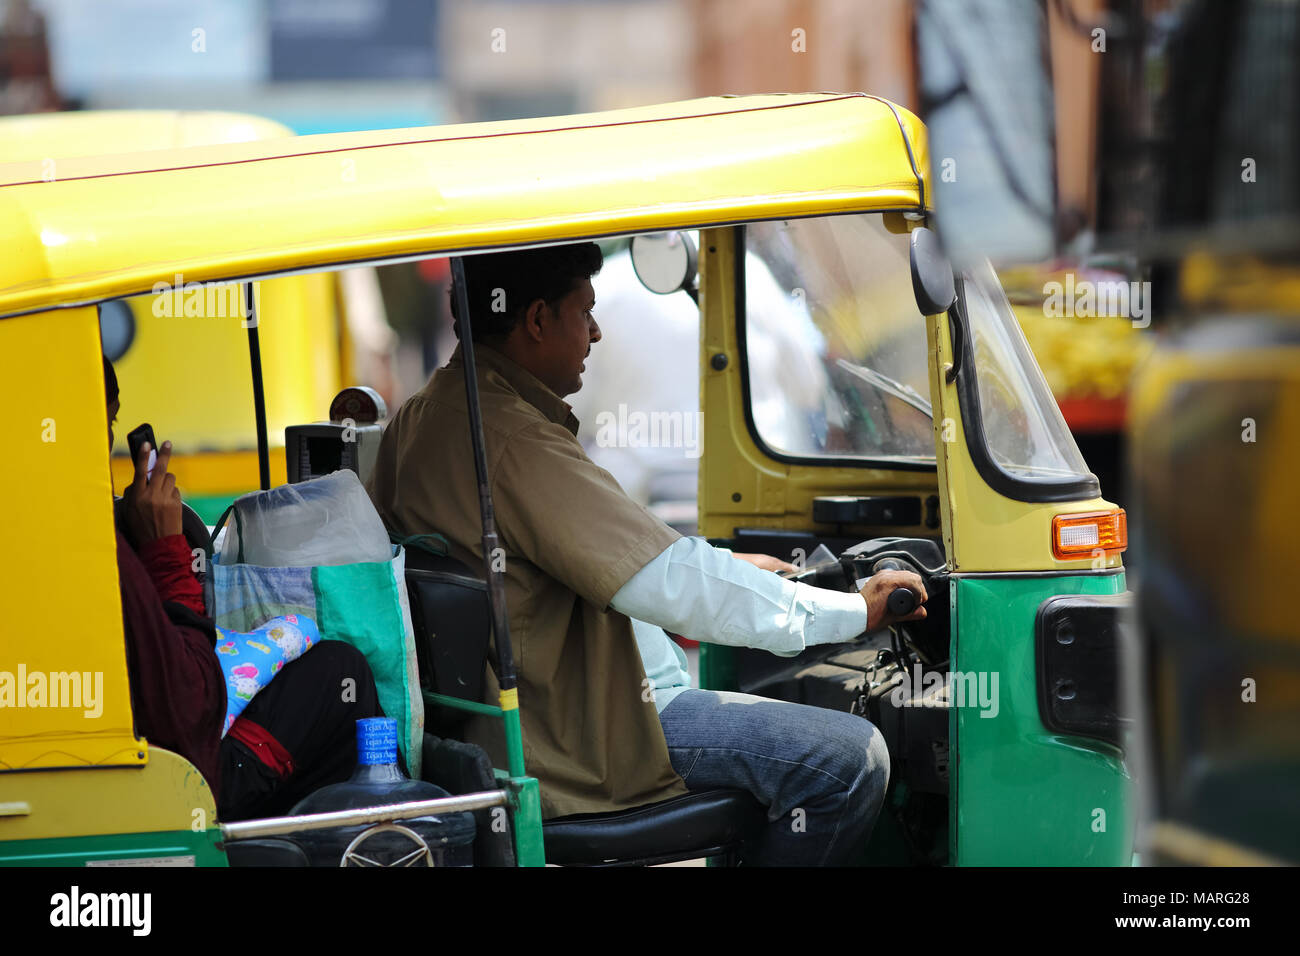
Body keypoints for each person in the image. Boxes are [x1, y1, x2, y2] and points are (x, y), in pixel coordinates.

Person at [366, 245, 930, 865]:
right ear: (535, 321)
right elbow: (668, 584)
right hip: (589, 736)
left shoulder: (421, 419)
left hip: (521, 727)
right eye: (585, 313)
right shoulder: (513, 440)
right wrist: (851, 612)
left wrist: (731, 569)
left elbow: (616, 563)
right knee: (849, 758)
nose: (597, 331)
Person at [104, 356, 386, 821]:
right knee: (342, 674)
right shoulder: (85, 541)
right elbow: (191, 710)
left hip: (136, 747)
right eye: (107, 419)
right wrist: (166, 553)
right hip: (172, 779)